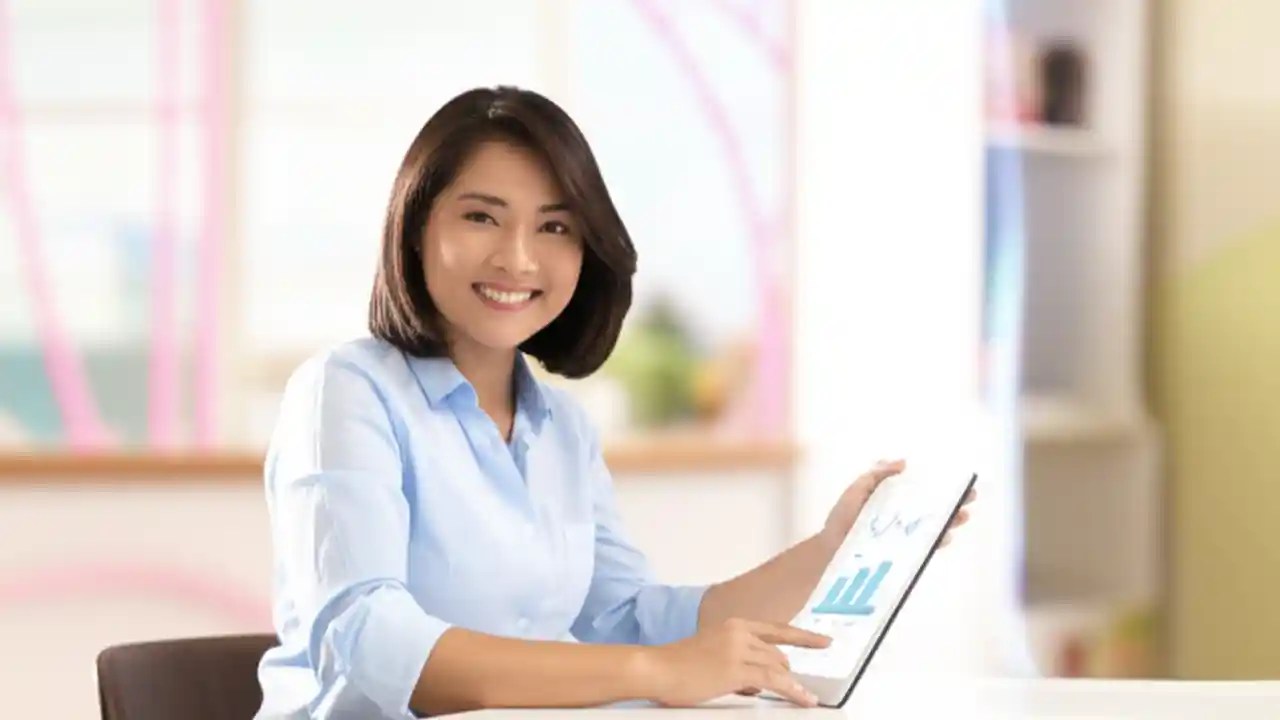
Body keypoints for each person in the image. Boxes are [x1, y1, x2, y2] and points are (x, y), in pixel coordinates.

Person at [255, 86, 974, 719]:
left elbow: (630, 621)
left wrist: (830, 551)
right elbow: (371, 637)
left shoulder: (562, 428)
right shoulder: (347, 392)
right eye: (481, 217)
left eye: (555, 226)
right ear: (416, 229)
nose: (518, 258)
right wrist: (657, 675)